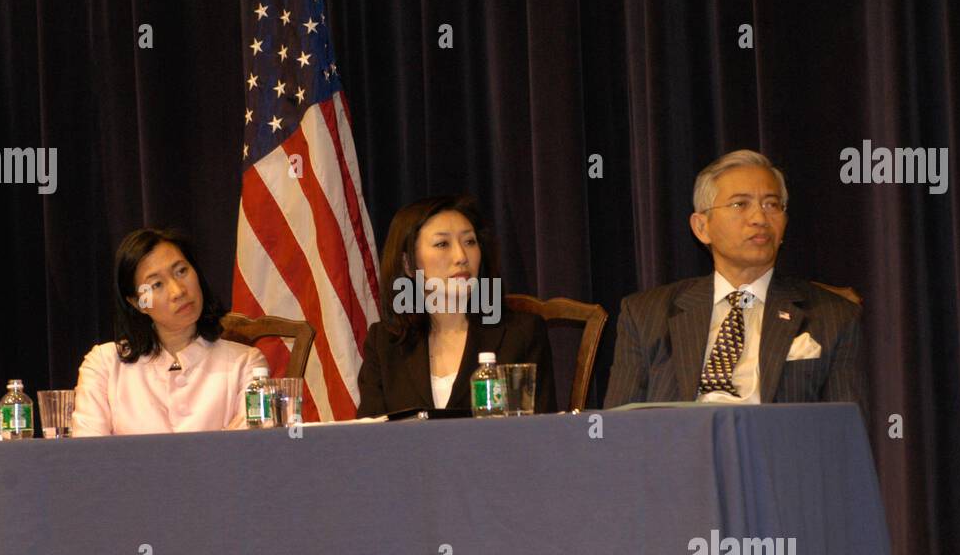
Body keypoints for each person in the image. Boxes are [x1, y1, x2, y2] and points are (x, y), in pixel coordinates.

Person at [604, 149, 866, 415]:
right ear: (701, 227)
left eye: (771, 205)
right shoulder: (645, 314)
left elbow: (845, 436)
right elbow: (619, 430)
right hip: (677, 451)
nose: (760, 219)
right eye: (740, 204)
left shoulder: (834, 317)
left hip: (771, 453)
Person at [356, 195, 557, 416]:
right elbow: (368, 438)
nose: (461, 256)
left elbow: (542, 433)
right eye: (443, 244)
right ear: (408, 264)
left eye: (469, 242)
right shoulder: (385, 342)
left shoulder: (521, 334)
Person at [71, 227, 268, 436]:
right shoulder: (105, 365)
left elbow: (249, 451)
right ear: (138, 303)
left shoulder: (246, 363)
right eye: (156, 284)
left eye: (181, 271)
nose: (178, 291)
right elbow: (87, 455)